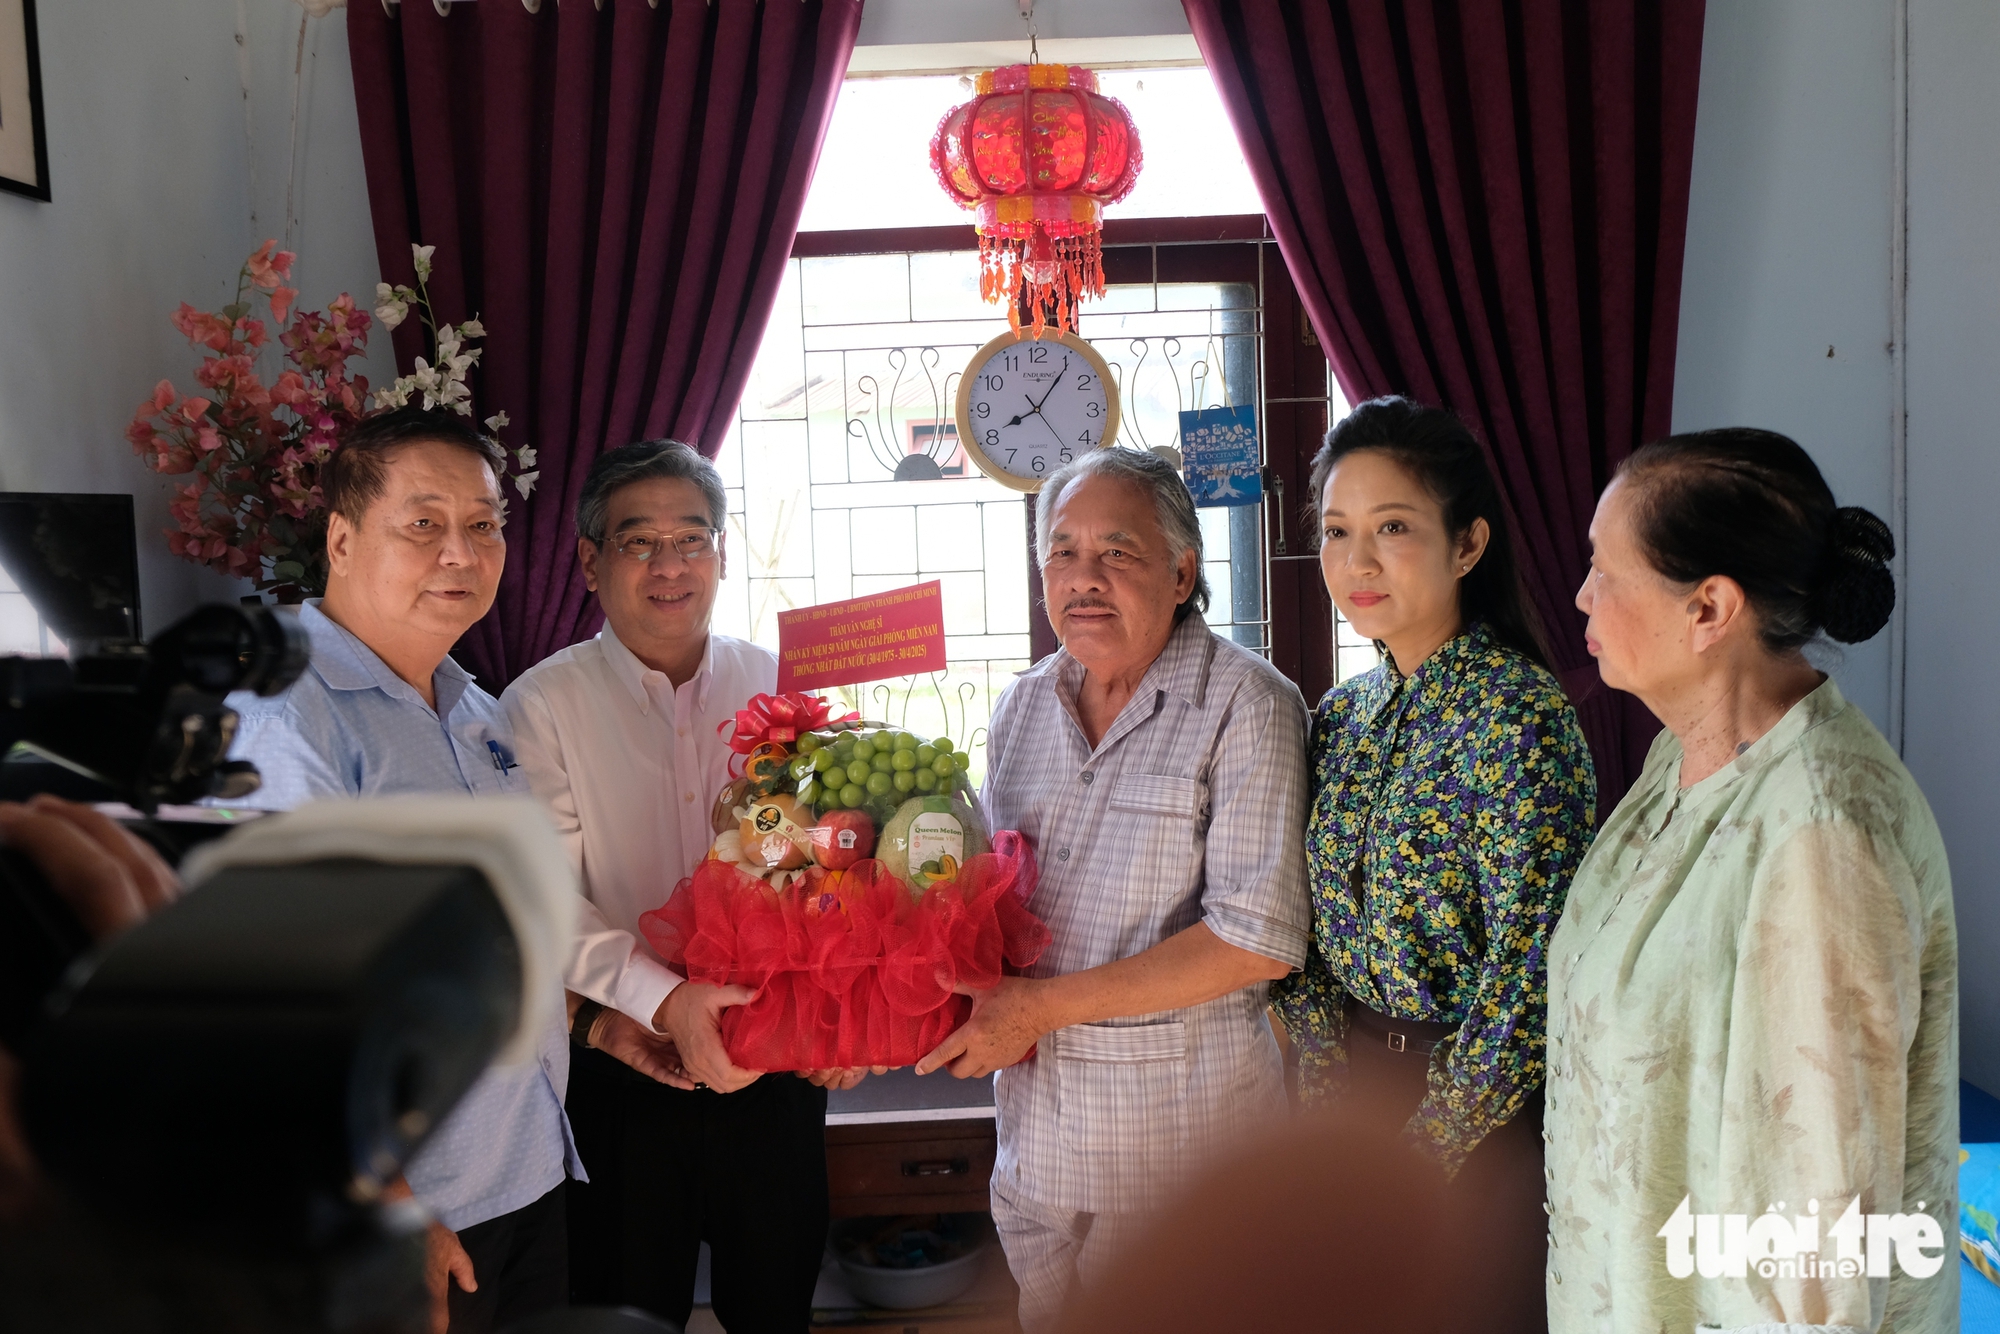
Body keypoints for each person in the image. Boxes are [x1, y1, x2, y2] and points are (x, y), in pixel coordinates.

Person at [220, 406, 619, 1334]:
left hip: (517, 1167)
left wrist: (597, 1026)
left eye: (483, 526)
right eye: (424, 523)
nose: (461, 552)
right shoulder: (287, 716)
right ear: (343, 537)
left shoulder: (471, 706)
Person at [1549, 427, 1958, 1331]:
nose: (1581, 595)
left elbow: (1819, 1238)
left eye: (1604, 570)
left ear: (1708, 608)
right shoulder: (1677, 756)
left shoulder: (1823, 833)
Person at [915, 446, 1311, 1332]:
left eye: (1117, 553)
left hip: (1178, 1163)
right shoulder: (1023, 705)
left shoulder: (1247, 702)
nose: (1083, 580)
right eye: (1062, 553)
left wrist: (1039, 1009)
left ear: (1182, 571)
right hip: (1034, 1152)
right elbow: (989, 905)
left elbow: (1258, 940)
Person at [1267, 397, 1596, 1331]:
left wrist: (1425, 1147)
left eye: (1394, 527)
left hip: (1483, 1117)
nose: (1357, 561)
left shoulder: (1517, 715)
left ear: (1468, 545)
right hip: (1352, 1095)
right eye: (1337, 531)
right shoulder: (1341, 715)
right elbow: (1307, 930)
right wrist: (1332, 1108)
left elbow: (1534, 970)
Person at [502, 440, 833, 1333]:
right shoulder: (538, 707)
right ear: (588, 561)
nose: (669, 565)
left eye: (691, 539)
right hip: (622, 1070)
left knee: (778, 1309)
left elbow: (833, 859)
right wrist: (667, 1000)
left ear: (721, 554)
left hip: (775, 1064)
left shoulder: (781, 685)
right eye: (638, 541)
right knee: (623, 1313)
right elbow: (542, 901)